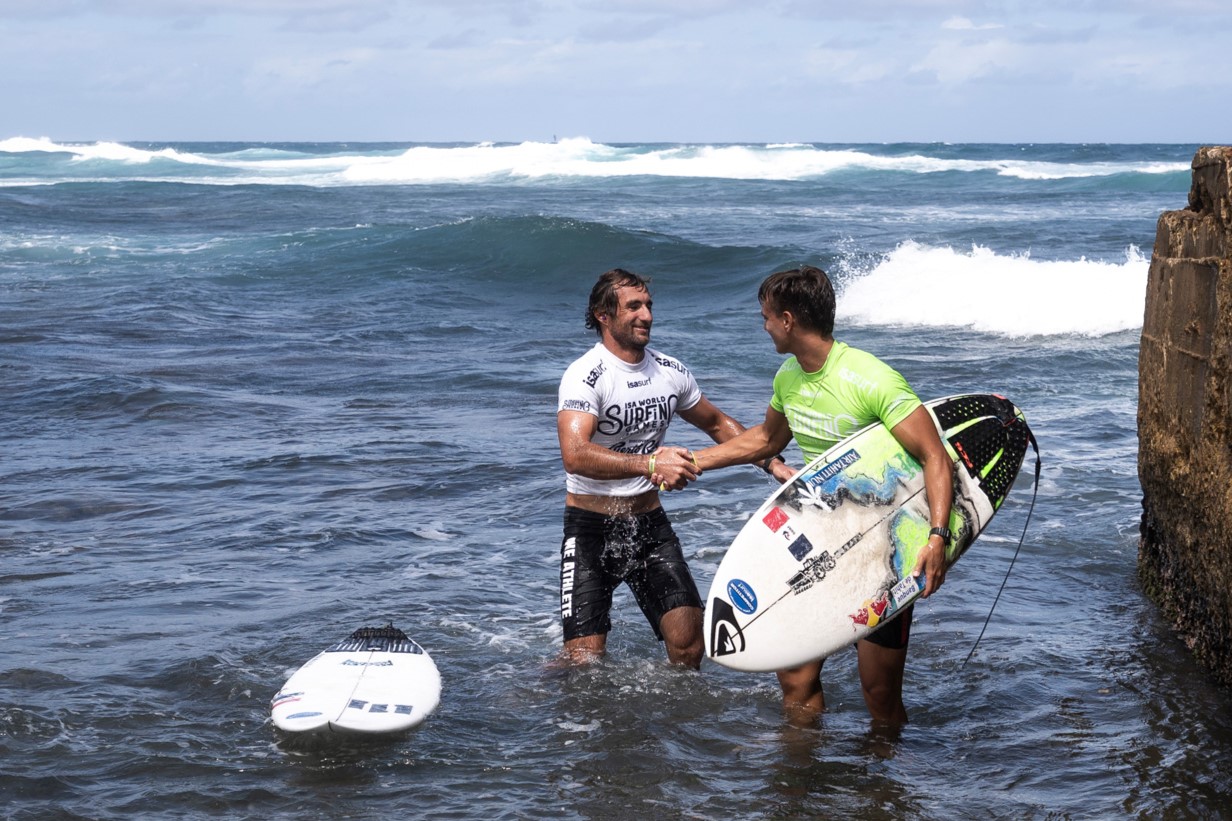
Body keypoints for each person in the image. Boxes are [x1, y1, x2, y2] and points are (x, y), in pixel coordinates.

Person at [692, 265, 954, 725]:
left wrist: (936, 537)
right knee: (795, 677)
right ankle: (801, 782)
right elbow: (766, 441)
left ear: (788, 320)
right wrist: (693, 461)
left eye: (767, 317)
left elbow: (935, 456)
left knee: (879, 693)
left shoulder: (871, 378)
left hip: (882, 549)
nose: (764, 325)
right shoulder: (788, 378)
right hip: (820, 546)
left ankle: (882, 786)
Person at [556, 268, 748, 669]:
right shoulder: (586, 376)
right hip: (590, 529)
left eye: (648, 306)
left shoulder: (670, 372)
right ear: (603, 315)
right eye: (634, 306)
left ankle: (680, 727)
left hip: (649, 525)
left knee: (689, 646)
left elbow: (716, 424)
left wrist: (773, 463)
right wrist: (649, 463)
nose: (646, 315)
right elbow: (575, 453)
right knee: (583, 663)